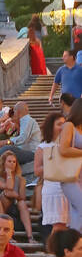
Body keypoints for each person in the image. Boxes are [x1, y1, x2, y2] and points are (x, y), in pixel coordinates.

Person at [0, 149, 34, 243]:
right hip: (0, 207)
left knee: (22, 203)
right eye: (9, 161)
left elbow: (22, 197)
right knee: (6, 194)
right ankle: (6, 234)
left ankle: (30, 236)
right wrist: (9, 174)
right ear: (3, 163)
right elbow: (8, 187)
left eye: (14, 162)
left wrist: (14, 194)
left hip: (15, 208)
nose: (12, 164)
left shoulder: (21, 180)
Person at [55, 99, 82, 230]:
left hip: (79, 175)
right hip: (70, 175)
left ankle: (76, 243)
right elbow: (63, 149)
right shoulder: (69, 125)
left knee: (76, 212)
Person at [0, 100, 41, 170]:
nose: (14, 114)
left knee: (6, 149)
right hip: (25, 151)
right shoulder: (24, 121)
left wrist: (6, 142)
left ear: (18, 111)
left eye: (14, 111)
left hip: (32, 153)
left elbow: (23, 138)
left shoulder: (27, 120)